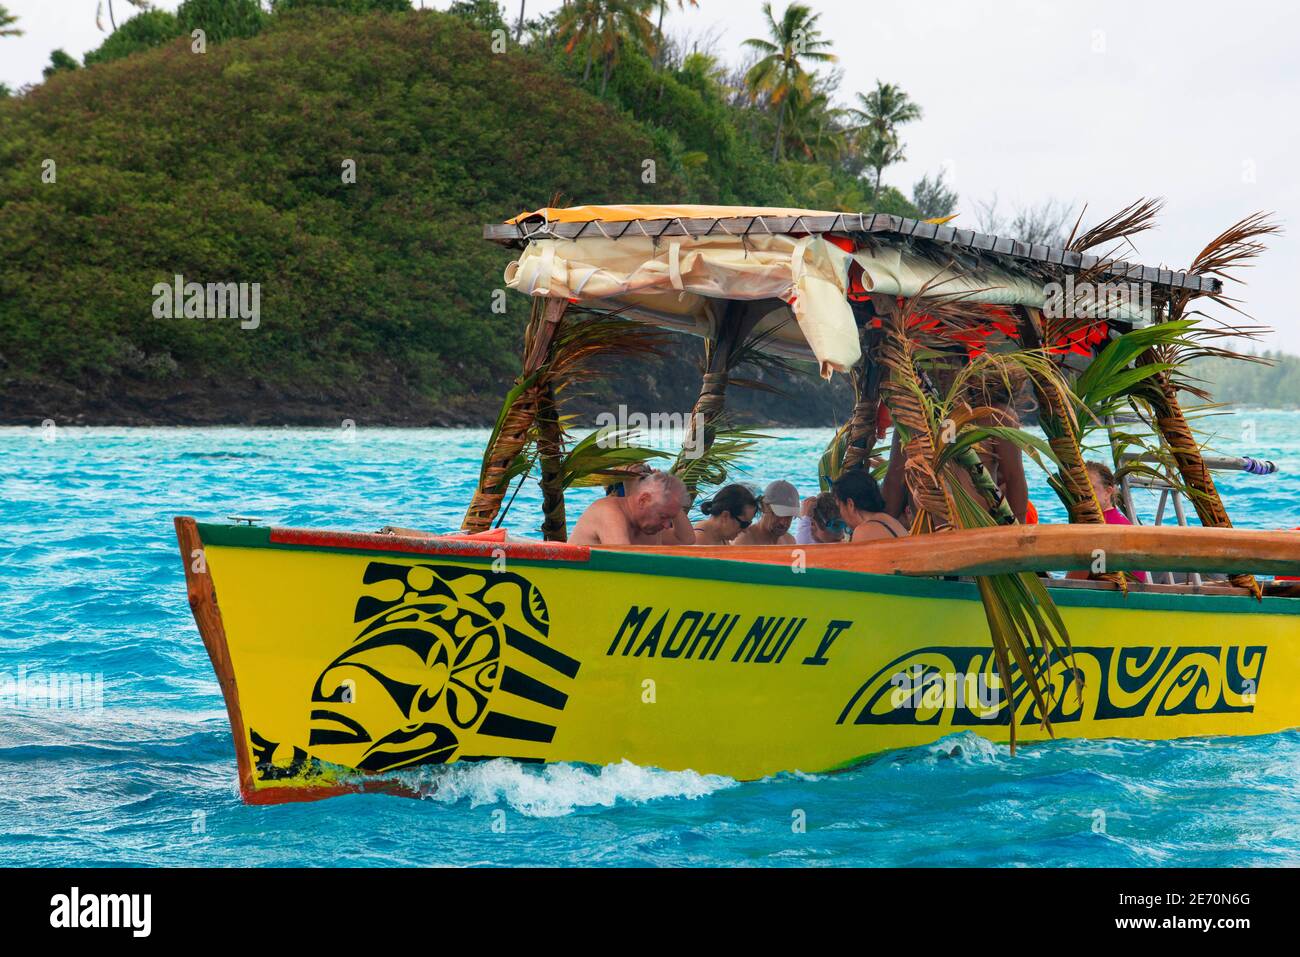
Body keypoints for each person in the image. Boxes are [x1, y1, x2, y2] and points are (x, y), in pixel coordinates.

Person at [1065, 461, 1149, 583]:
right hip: (1129, 597)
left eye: (1089, 488)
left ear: (1108, 492)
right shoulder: (1122, 522)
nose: (1083, 493)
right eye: (1078, 487)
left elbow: (1072, 582)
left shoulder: (1096, 526)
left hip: (1107, 598)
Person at [569, 470, 693, 546]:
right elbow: (624, 561)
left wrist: (672, 498)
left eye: (670, 518)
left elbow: (686, 539)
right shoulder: (608, 511)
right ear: (643, 500)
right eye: (663, 516)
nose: (667, 525)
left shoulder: (648, 526)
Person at [832, 469, 907, 542]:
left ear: (850, 504)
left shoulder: (864, 532)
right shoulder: (890, 520)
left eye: (839, 506)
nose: (841, 515)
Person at [731, 480, 800, 545]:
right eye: (778, 515)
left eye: (789, 516)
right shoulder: (744, 541)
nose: (782, 522)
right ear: (763, 506)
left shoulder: (789, 541)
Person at [693, 483, 758, 545]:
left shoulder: (721, 537)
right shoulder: (698, 541)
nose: (745, 530)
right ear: (725, 516)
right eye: (744, 524)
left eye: (749, 524)